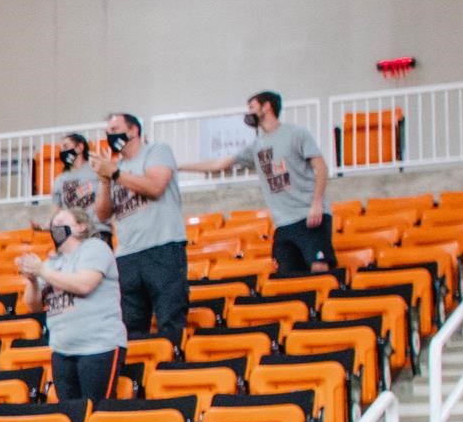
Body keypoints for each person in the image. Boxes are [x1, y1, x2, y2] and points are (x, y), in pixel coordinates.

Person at [181, 91, 334, 275]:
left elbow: (321, 168)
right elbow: (219, 165)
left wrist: (316, 204)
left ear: (266, 106)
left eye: (252, 107)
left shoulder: (296, 133)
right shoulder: (256, 147)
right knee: (287, 276)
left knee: (319, 268)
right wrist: (180, 167)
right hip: (283, 223)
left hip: (309, 215)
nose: (249, 112)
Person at [92, 111, 188, 348]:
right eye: (107, 132)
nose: (110, 136)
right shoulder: (115, 167)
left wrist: (115, 174)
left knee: (169, 317)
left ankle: (171, 363)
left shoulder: (157, 151)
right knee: (130, 325)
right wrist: (105, 180)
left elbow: (155, 187)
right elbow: (102, 215)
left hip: (162, 246)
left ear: (133, 130)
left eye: (115, 130)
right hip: (127, 254)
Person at [18, 205, 126, 404]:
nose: (56, 226)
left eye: (61, 221)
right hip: (62, 350)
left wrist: (42, 271)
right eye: (54, 223)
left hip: (98, 347)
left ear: (81, 226)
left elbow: (85, 285)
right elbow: (33, 306)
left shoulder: (95, 247)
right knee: (69, 413)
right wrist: (33, 280)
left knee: (96, 409)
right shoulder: (51, 263)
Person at [35, 134, 109, 228]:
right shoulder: (59, 180)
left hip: (97, 229)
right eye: (61, 149)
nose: (63, 151)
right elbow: (56, 211)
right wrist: (43, 228)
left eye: (66, 147)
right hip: (73, 232)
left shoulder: (96, 169)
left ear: (80, 147)